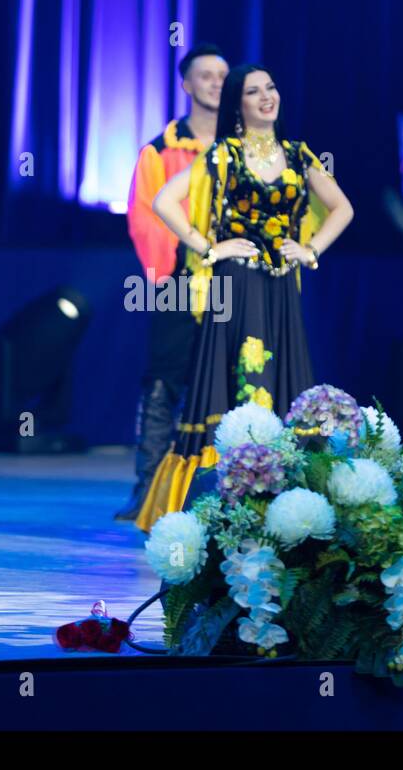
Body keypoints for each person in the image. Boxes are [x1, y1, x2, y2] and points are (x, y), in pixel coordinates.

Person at [133, 64, 354, 532]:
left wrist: (310, 249)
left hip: (279, 292)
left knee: (283, 384)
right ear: (239, 104)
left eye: (271, 87)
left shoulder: (298, 155)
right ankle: (221, 505)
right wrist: (210, 248)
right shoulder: (223, 155)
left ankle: (288, 507)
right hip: (234, 288)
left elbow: (343, 208)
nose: (266, 97)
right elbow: (164, 202)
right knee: (233, 388)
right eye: (254, 91)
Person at [114, 43, 227, 522]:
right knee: (164, 383)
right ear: (186, 84)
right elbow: (145, 215)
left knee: (231, 382)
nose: (216, 82)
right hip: (181, 280)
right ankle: (148, 491)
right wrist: (168, 275)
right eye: (205, 75)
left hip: (234, 280)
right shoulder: (161, 150)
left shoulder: (244, 146)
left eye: (223, 75)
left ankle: (225, 489)